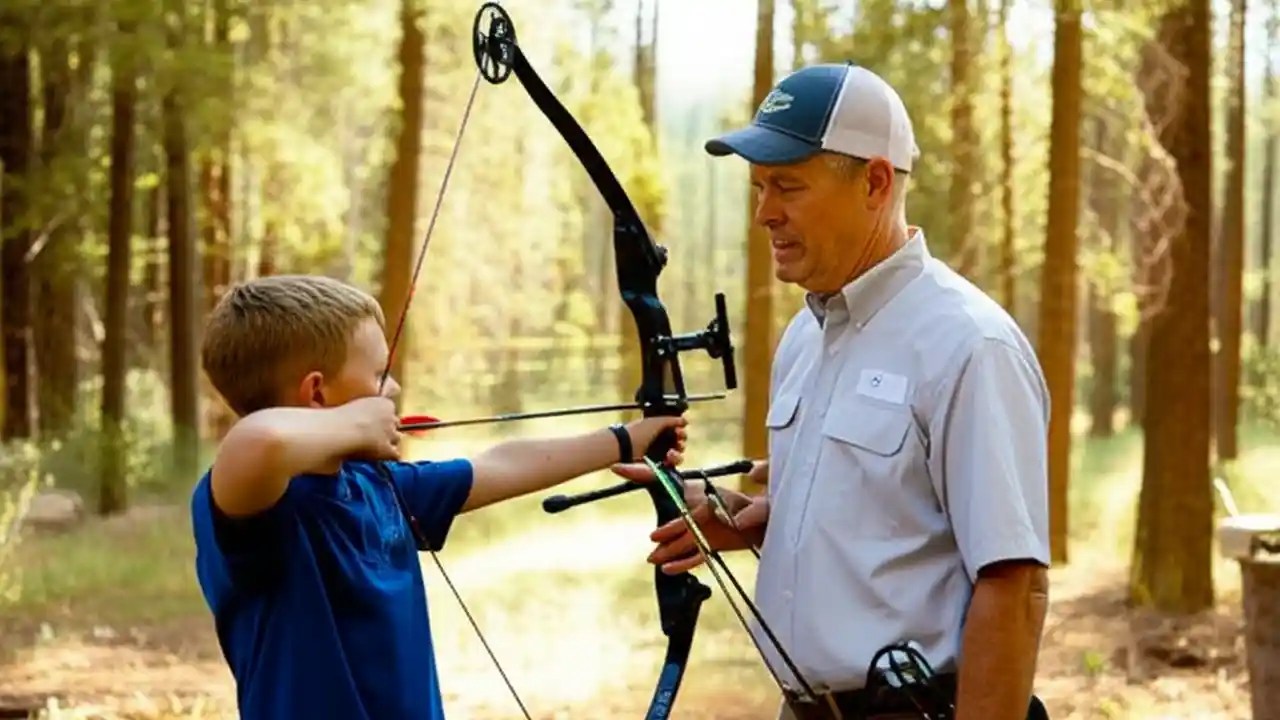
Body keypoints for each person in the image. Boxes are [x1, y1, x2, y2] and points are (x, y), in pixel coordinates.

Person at [639, 62, 1052, 720]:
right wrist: (748, 521)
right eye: (758, 187)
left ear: (876, 182)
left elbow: (1014, 582)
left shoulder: (969, 344)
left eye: (788, 187)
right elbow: (891, 522)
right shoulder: (805, 338)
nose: (764, 214)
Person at [189, 274, 688, 720]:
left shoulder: (377, 485)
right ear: (316, 393)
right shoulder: (259, 508)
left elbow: (501, 465)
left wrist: (630, 438)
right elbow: (255, 442)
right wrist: (352, 422)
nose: (395, 388)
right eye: (380, 375)